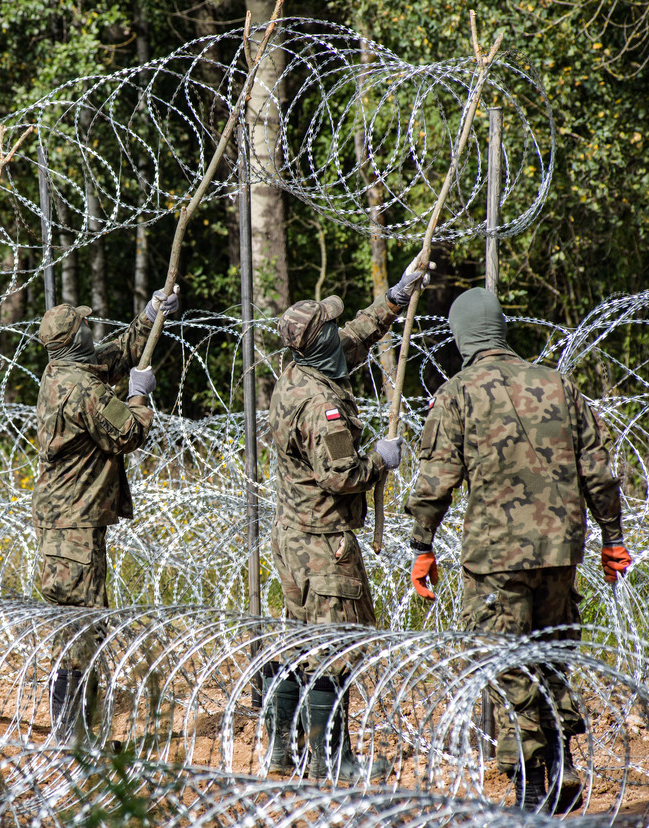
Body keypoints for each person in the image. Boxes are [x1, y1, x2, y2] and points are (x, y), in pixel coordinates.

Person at [406, 287, 627, 813]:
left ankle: (530, 778)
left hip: (494, 558)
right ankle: (562, 757)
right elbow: (598, 470)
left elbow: (436, 480)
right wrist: (613, 538)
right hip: (560, 549)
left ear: (462, 336)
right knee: (551, 653)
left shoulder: (458, 392)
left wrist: (422, 544)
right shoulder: (560, 384)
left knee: (503, 661)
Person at [264, 259, 429, 781]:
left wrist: (396, 298)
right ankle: (332, 761)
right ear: (318, 343)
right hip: (323, 541)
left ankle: (281, 754)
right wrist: (380, 458)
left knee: (297, 643)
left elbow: (352, 336)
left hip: (292, 535)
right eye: (330, 327)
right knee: (332, 651)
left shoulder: (295, 374)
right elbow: (339, 476)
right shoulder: (320, 404)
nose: (340, 332)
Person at [31, 288, 177, 741]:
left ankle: (73, 733)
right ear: (75, 340)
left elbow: (112, 354)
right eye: (84, 327)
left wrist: (151, 316)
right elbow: (128, 433)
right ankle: (74, 738)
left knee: (71, 628)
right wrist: (139, 397)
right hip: (75, 527)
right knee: (81, 631)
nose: (92, 331)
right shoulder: (83, 390)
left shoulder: (61, 372)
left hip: (63, 521)